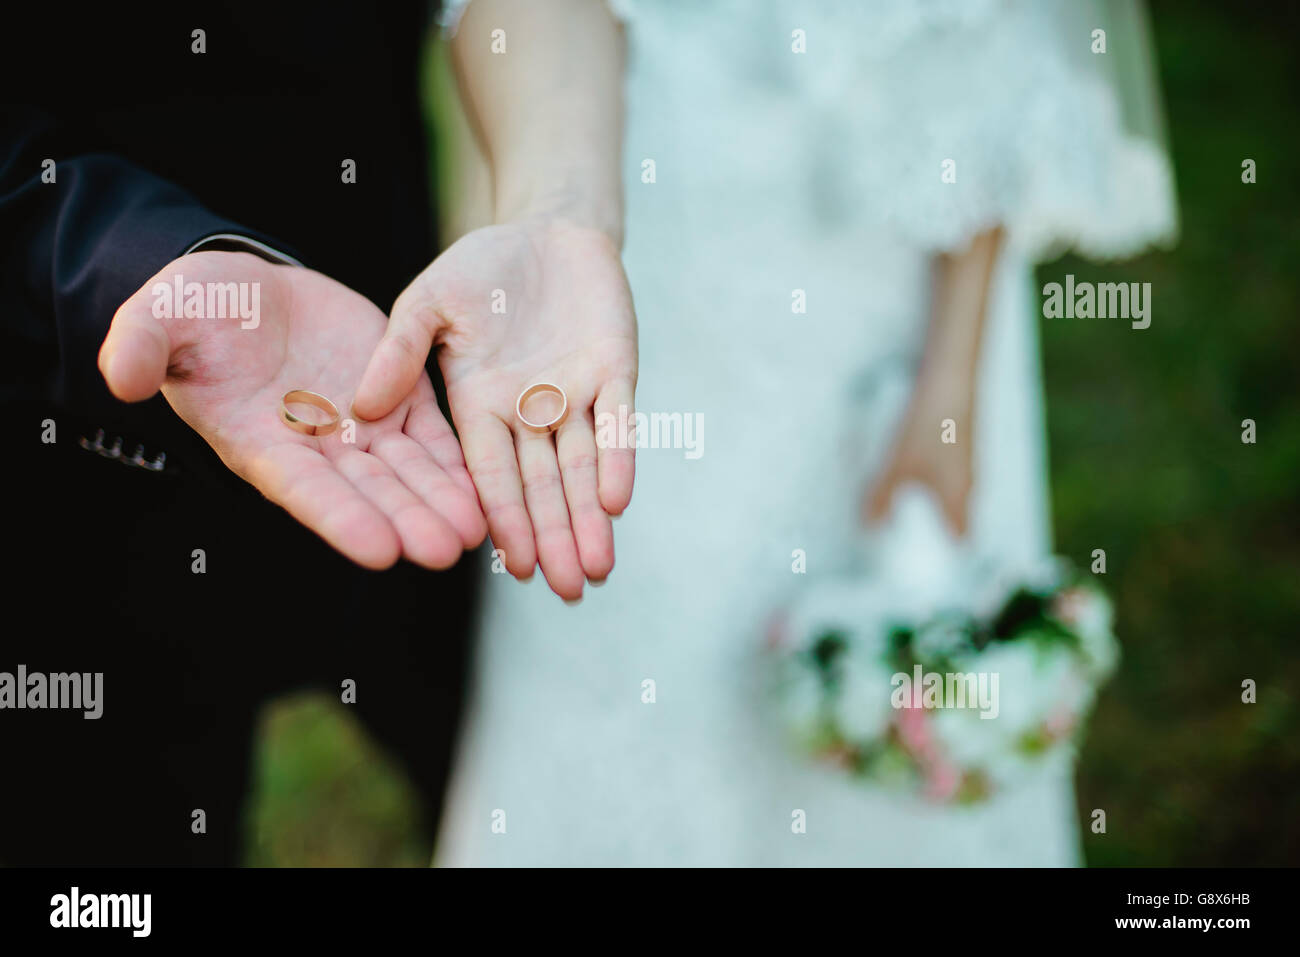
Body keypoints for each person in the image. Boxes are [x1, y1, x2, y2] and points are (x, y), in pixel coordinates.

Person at [428, 0, 1177, 865]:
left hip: (882, 278)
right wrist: (555, 223)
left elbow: (996, 52)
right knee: (621, 626)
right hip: (644, 231)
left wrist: (950, 384)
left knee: (880, 596)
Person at [0, 0, 636, 864]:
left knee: (485, 741)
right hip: (78, 500)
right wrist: (126, 257)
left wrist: (558, 214)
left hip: (406, 380)